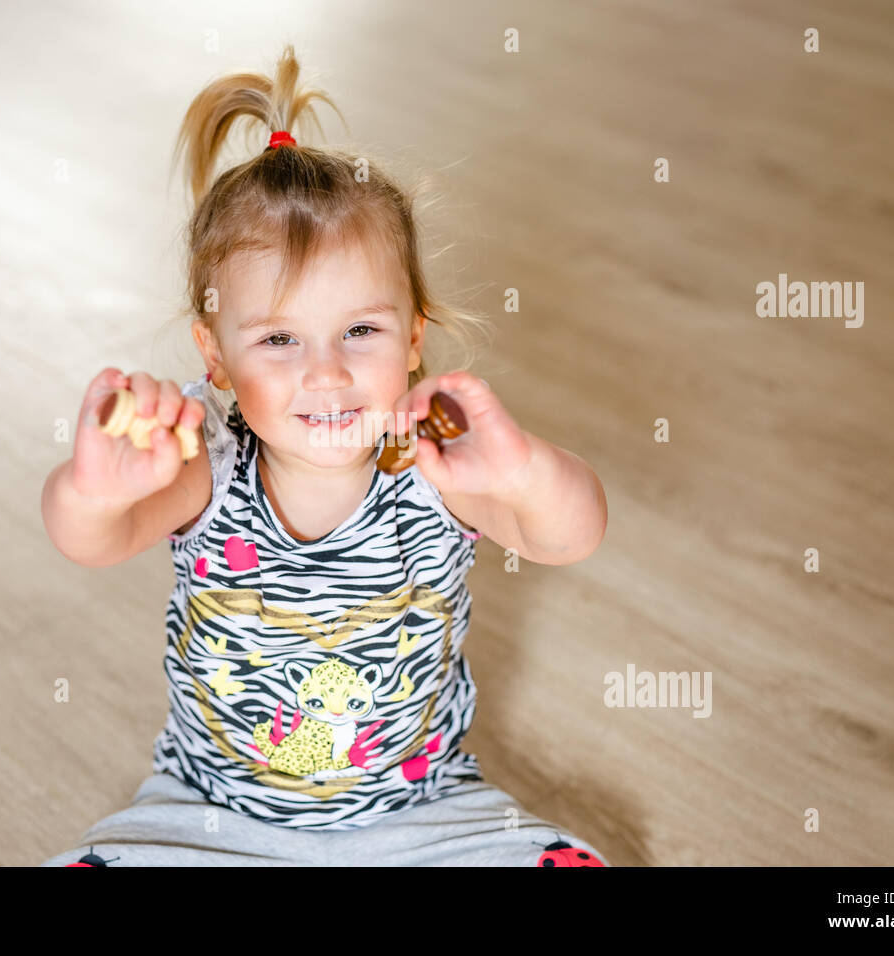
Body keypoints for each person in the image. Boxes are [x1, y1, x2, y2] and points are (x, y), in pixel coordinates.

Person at [39, 45, 609, 866]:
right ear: (216, 356)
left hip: (424, 808)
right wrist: (94, 490)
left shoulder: (433, 457)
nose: (327, 372)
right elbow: (88, 538)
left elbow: (570, 535)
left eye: (361, 330)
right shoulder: (204, 457)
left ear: (414, 336)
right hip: (207, 814)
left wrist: (524, 473)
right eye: (278, 338)